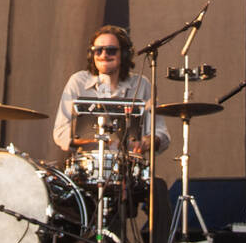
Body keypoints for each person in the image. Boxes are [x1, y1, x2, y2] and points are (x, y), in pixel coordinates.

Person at [52, 25, 169, 157]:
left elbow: (162, 133)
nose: (104, 55)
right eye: (98, 50)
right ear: (91, 54)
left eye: (111, 51)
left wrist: (149, 141)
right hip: (86, 167)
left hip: (129, 169)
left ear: (124, 54)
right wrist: (94, 141)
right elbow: (60, 132)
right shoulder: (78, 82)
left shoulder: (142, 84)